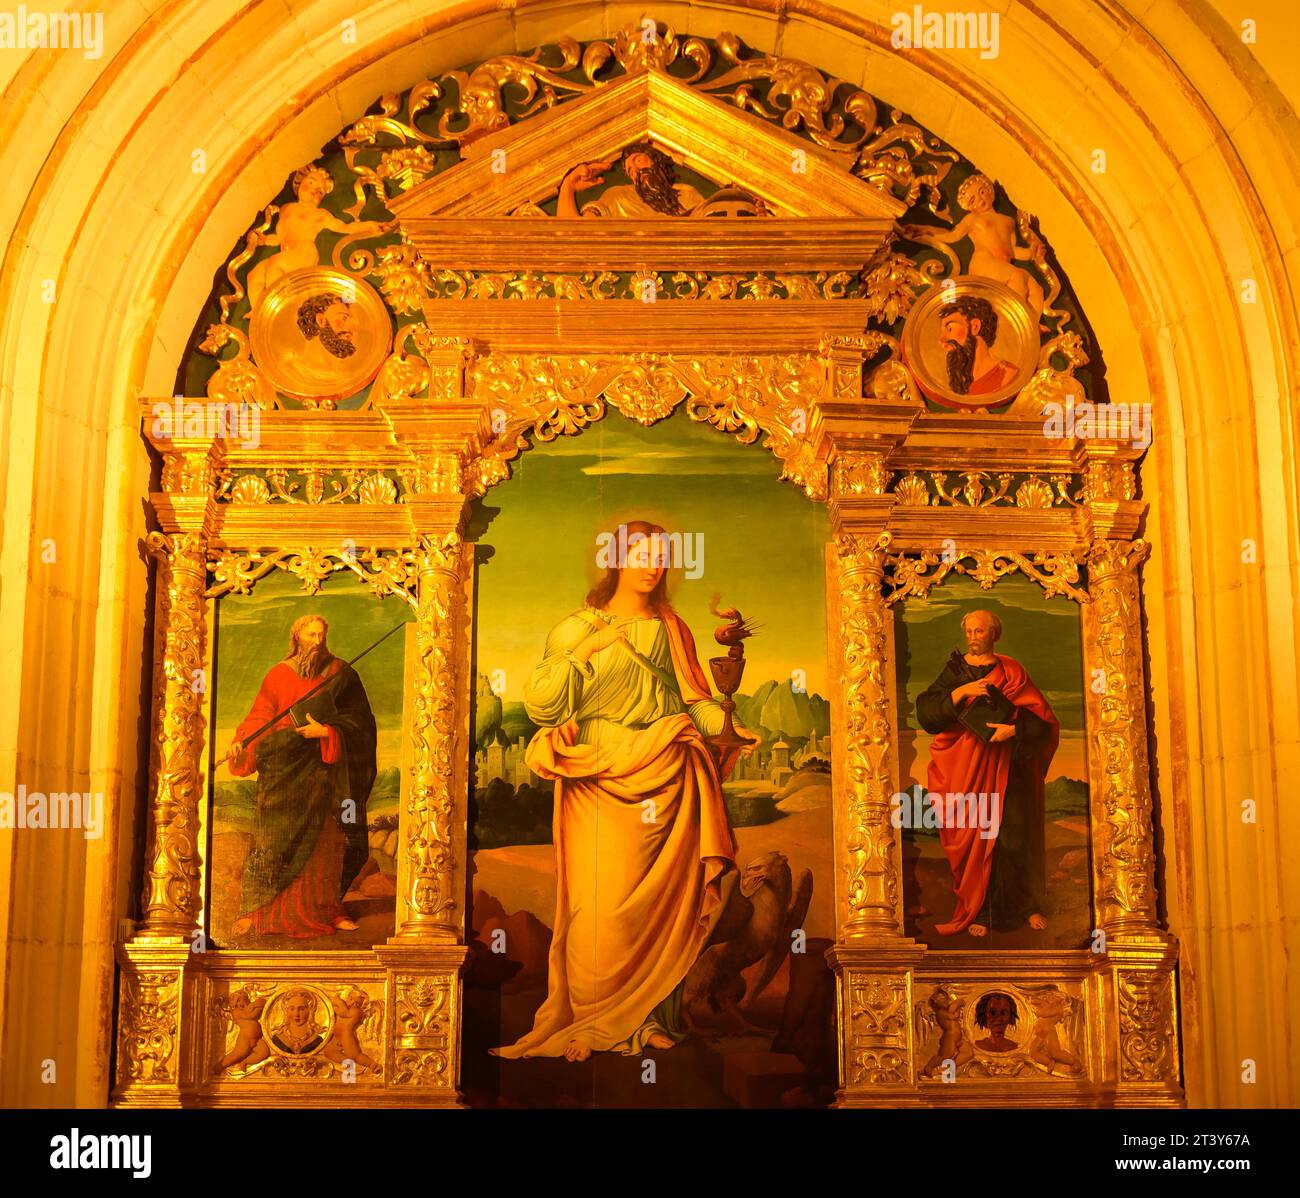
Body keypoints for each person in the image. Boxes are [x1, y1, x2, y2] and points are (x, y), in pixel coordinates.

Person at [494, 521, 753, 1061]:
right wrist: (585, 652)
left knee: (665, 909)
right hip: (597, 774)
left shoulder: (671, 627)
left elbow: (692, 700)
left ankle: (651, 1018)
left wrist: (726, 725)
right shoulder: (576, 627)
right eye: (640, 554)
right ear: (616, 559)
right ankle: (590, 1020)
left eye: (661, 556)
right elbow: (544, 705)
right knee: (599, 908)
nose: (652, 565)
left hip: (667, 771)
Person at [225, 615, 377, 939]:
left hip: (323, 771)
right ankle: (257, 911)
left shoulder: (341, 674)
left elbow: (361, 724)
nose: (317, 642)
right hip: (283, 771)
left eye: (322, 635)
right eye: (311, 635)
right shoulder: (278, 675)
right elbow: (260, 718)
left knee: (324, 844)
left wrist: (327, 732)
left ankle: (327, 909)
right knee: (272, 842)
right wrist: (242, 745)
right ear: (296, 638)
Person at [915, 610, 1058, 937]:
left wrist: (1014, 730)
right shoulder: (955, 671)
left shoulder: (1012, 671)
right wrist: (961, 692)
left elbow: (1043, 721)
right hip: (966, 767)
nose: (973, 637)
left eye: (980, 631)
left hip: (1010, 768)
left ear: (995, 635)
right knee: (980, 834)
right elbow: (927, 711)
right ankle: (980, 910)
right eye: (969, 631)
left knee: (1014, 835)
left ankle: (1027, 907)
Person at [557, 142, 706, 218]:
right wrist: (568, 186)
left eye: (638, 160)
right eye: (629, 171)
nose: (635, 170)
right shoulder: (618, 197)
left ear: (656, 160)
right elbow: (574, 235)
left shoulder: (688, 194)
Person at [937, 295, 1018, 397]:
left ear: (975, 327)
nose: (941, 340)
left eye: (950, 329)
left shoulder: (1007, 374)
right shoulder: (958, 380)